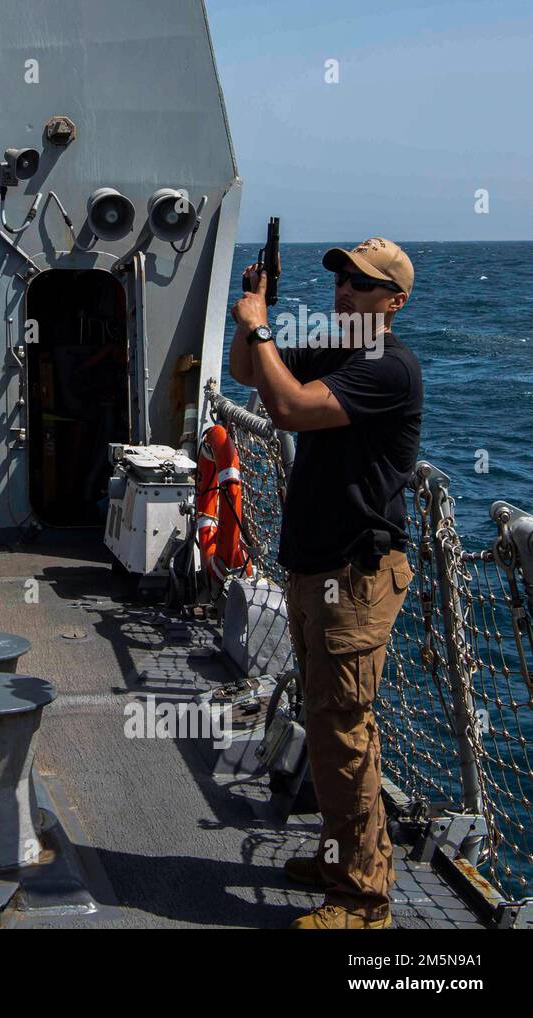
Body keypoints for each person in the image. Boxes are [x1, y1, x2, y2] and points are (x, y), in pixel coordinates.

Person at [229, 236, 422, 930]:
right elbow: (250, 375)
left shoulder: (388, 367)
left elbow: (289, 411)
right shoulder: (341, 352)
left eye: (363, 284)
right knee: (328, 723)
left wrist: (258, 322)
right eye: (342, 279)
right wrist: (252, 313)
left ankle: (363, 901)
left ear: (394, 302)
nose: (346, 291)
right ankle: (343, 856)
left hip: (355, 574)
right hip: (317, 566)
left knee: (343, 732)